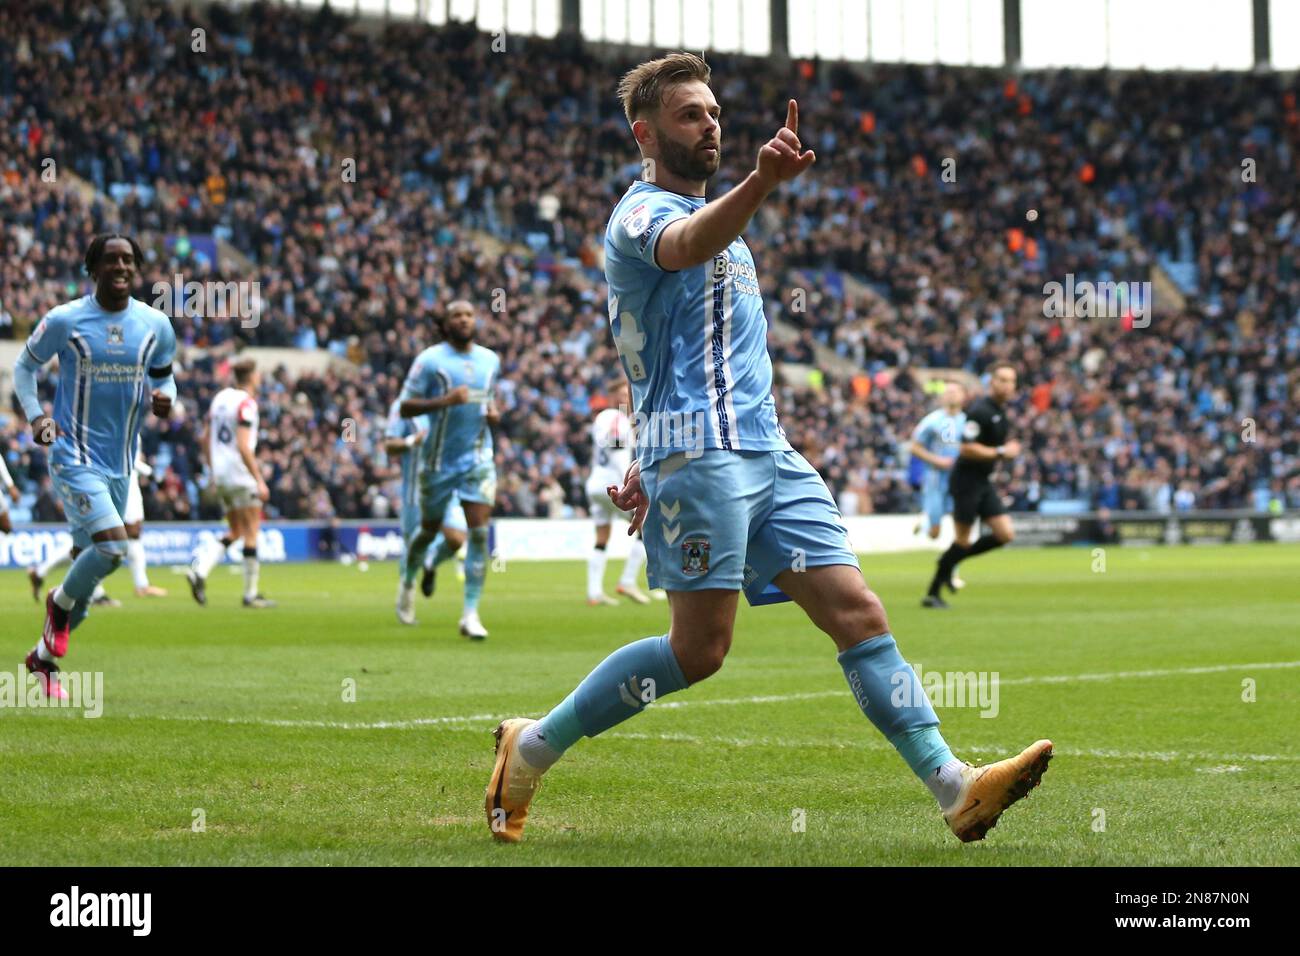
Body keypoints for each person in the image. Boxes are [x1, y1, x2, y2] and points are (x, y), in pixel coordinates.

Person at [484, 54, 1051, 845]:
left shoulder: (735, 238)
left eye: (714, 111)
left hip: (768, 450)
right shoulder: (639, 215)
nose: (710, 124)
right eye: (690, 114)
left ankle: (955, 786)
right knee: (700, 650)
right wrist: (760, 186)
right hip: (703, 457)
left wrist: (648, 453)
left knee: (858, 611)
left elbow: (662, 352)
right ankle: (531, 746)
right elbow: (682, 246)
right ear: (645, 134)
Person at [13, 233, 177, 699]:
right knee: (113, 548)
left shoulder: (156, 325)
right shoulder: (65, 320)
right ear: (93, 268)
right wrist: (38, 417)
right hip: (72, 455)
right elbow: (24, 369)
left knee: (88, 589)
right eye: (111, 259)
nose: (120, 266)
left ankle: (41, 661)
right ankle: (56, 604)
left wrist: (168, 399)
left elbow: (166, 378)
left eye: (128, 259)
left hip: (122, 463)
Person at [396, 300, 500, 639]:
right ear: (446, 322)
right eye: (457, 315)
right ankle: (411, 578)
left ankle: (470, 614)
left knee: (479, 533)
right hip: (437, 462)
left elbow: (486, 399)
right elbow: (405, 407)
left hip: (478, 458)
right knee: (427, 530)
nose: (465, 320)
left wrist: (492, 412)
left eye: (470, 314)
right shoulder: (429, 361)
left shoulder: (490, 359)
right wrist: (444, 401)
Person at [924, 363, 1020, 609]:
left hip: (983, 482)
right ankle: (932, 593)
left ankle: (949, 559)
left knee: (1004, 534)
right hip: (966, 481)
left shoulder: (1000, 411)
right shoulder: (980, 411)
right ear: (992, 382)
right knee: (963, 540)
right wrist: (1001, 451)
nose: (1007, 385)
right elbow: (966, 447)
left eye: (1011, 381)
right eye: (1002, 379)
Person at [187, 357, 275, 608]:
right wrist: (259, 479)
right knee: (251, 531)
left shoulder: (220, 399)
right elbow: (243, 445)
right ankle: (251, 594)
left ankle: (200, 570)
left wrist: (214, 471)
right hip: (240, 472)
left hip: (223, 473)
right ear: (253, 377)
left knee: (235, 530)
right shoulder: (247, 404)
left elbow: (204, 439)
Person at [382, 398, 467, 624]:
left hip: (446, 486)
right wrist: (411, 441)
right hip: (415, 494)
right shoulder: (403, 406)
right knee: (412, 550)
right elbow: (389, 446)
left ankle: (431, 563)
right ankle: (406, 601)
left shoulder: (449, 404)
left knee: (457, 537)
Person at [585, 378, 651, 605]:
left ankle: (594, 593)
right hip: (613, 484)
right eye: (623, 395)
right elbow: (614, 445)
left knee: (601, 536)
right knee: (646, 524)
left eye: (628, 395)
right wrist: (628, 481)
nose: (627, 399)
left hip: (595, 482)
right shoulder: (616, 417)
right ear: (613, 397)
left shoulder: (601, 418)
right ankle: (628, 581)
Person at [123, 448, 166, 597]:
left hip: (130, 482)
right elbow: (124, 454)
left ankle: (142, 584)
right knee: (98, 538)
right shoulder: (124, 424)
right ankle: (95, 592)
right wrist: (150, 472)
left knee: (134, 534)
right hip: (123, 482)